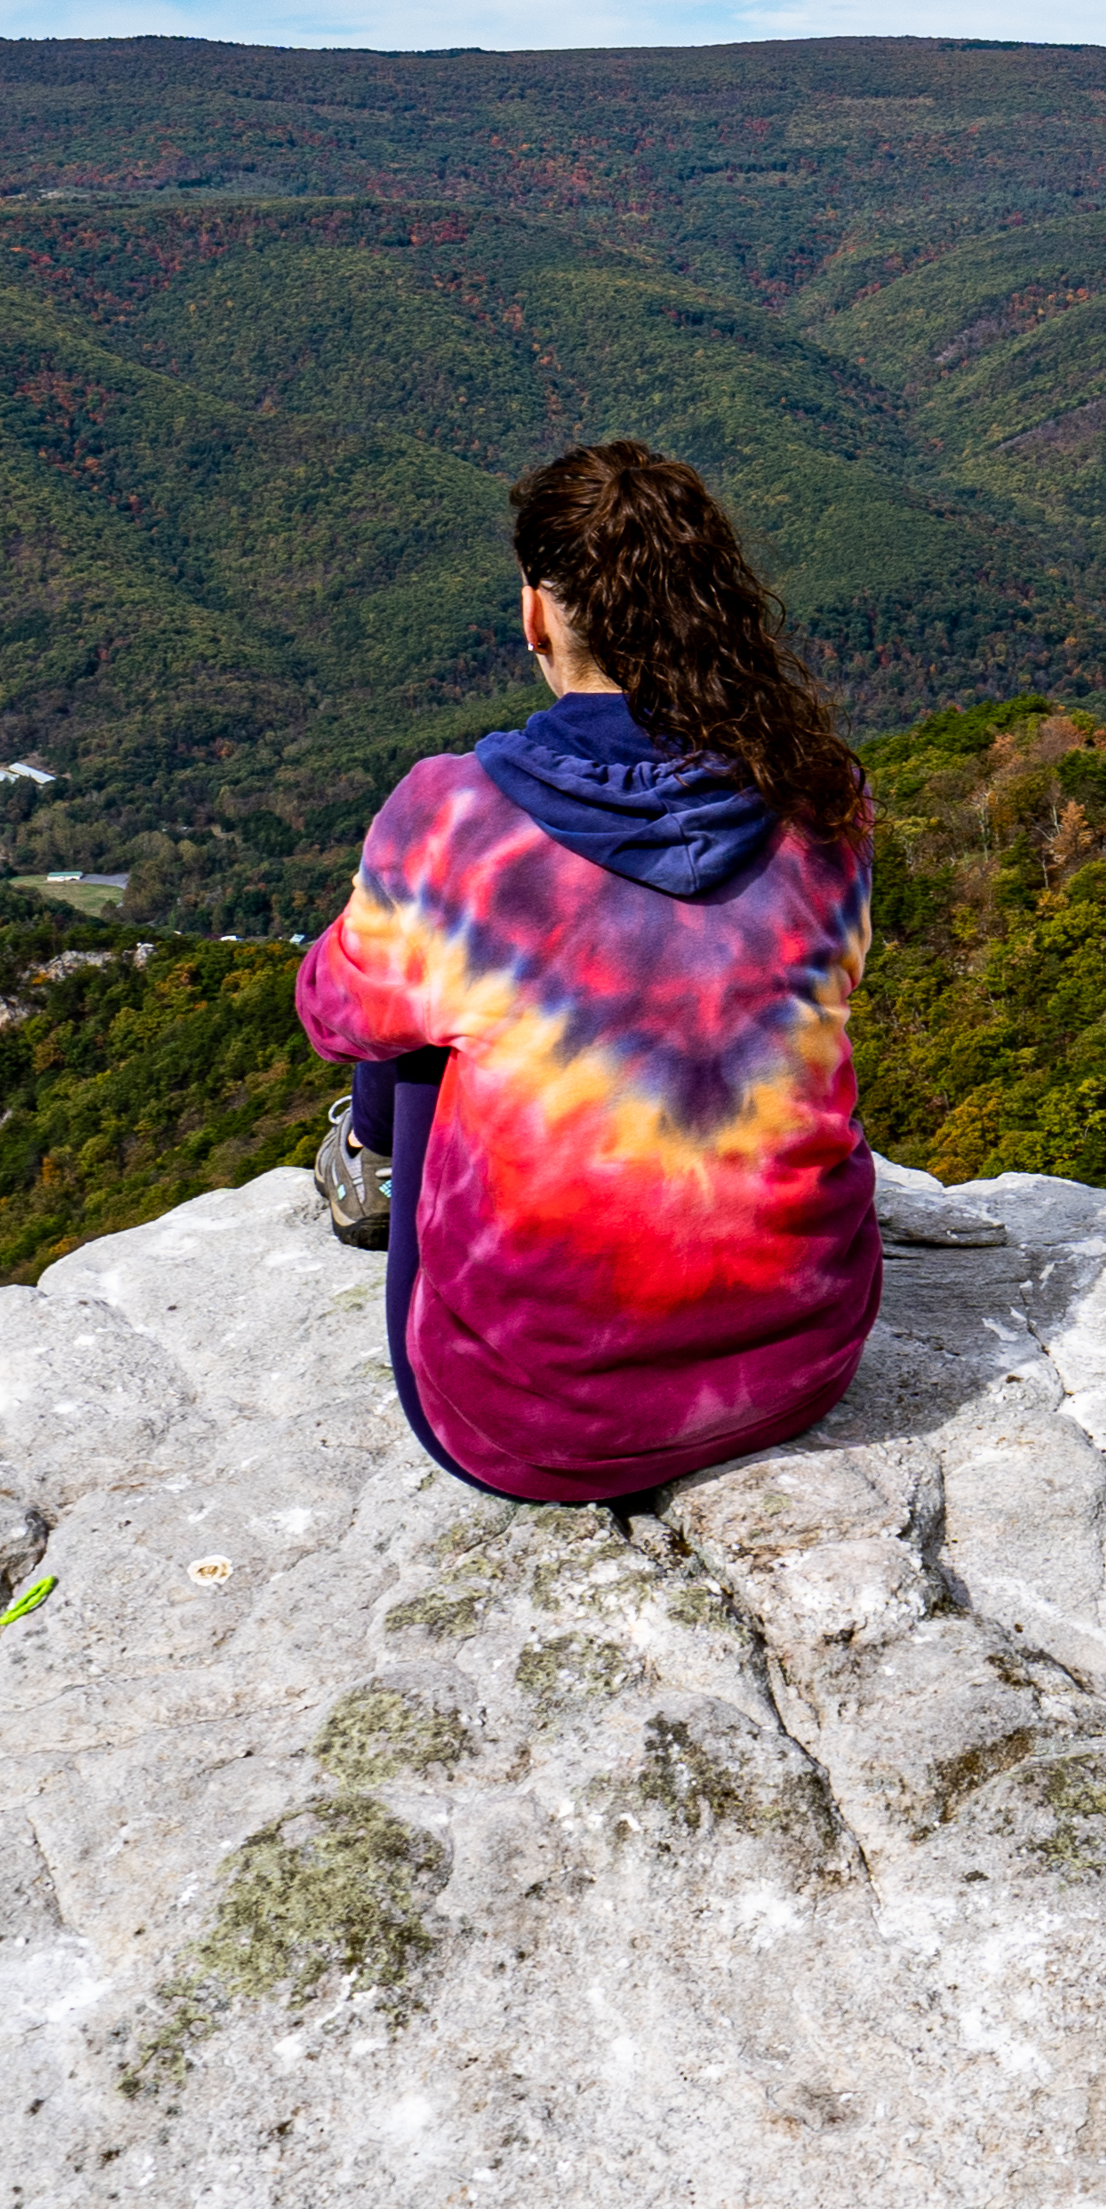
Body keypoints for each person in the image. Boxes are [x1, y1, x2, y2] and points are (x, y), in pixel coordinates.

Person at [297, 440, 881, 1505]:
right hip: (800, 1361)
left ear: (537, 614)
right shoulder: (820, 791)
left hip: (530, 1416)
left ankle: (367, 1164)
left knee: (422, 1012)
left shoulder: (454, 815)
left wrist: (395, 905)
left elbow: (338, 1013)